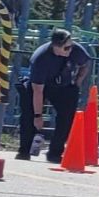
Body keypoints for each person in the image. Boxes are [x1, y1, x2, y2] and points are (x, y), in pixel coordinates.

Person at [17, 29, 90, 163]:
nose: (70, 49)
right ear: (55, 46)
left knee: (67, 115)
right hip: (40, 86)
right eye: (66, 48)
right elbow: (38, 91)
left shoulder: (76, 50)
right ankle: (24, 150)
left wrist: (78, 82)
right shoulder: (41, 58)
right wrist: (38, 116)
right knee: (29, 114)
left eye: (71, 46)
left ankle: (55, 153)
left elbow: (85, 64)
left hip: (63, 86)